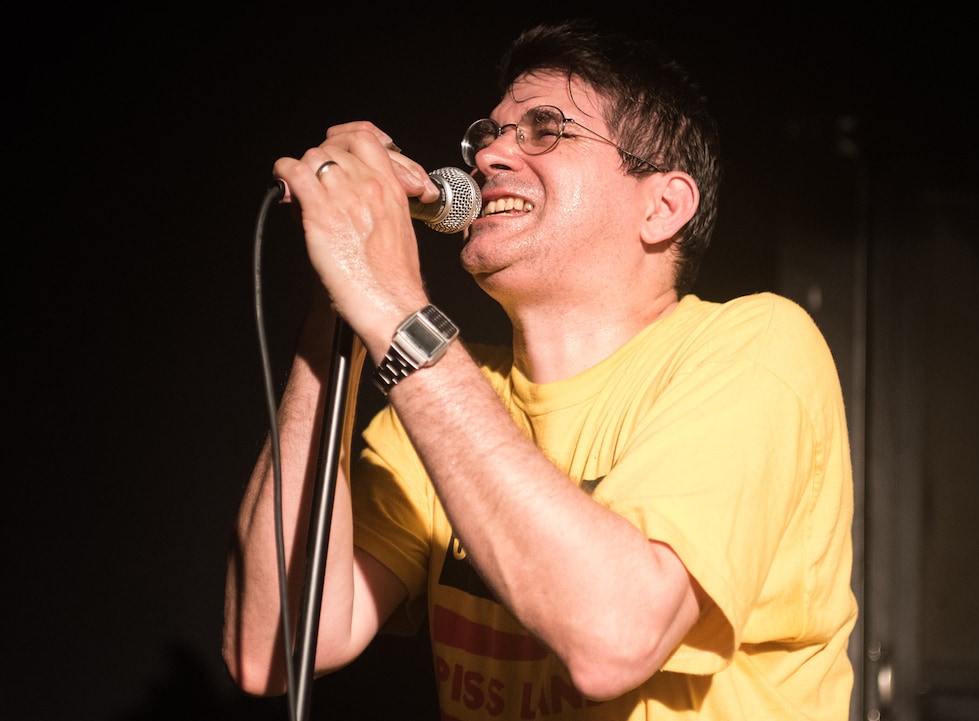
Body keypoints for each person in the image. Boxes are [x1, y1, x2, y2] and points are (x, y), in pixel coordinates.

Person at [223, 19, 858, 720]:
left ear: (663, 206)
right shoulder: (450, 402)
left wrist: (395, 304)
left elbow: (615, 638)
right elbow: (268, 648)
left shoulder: (757, 346)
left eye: (545, 129)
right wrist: (337, 297)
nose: (490, 155)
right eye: (488, 135)